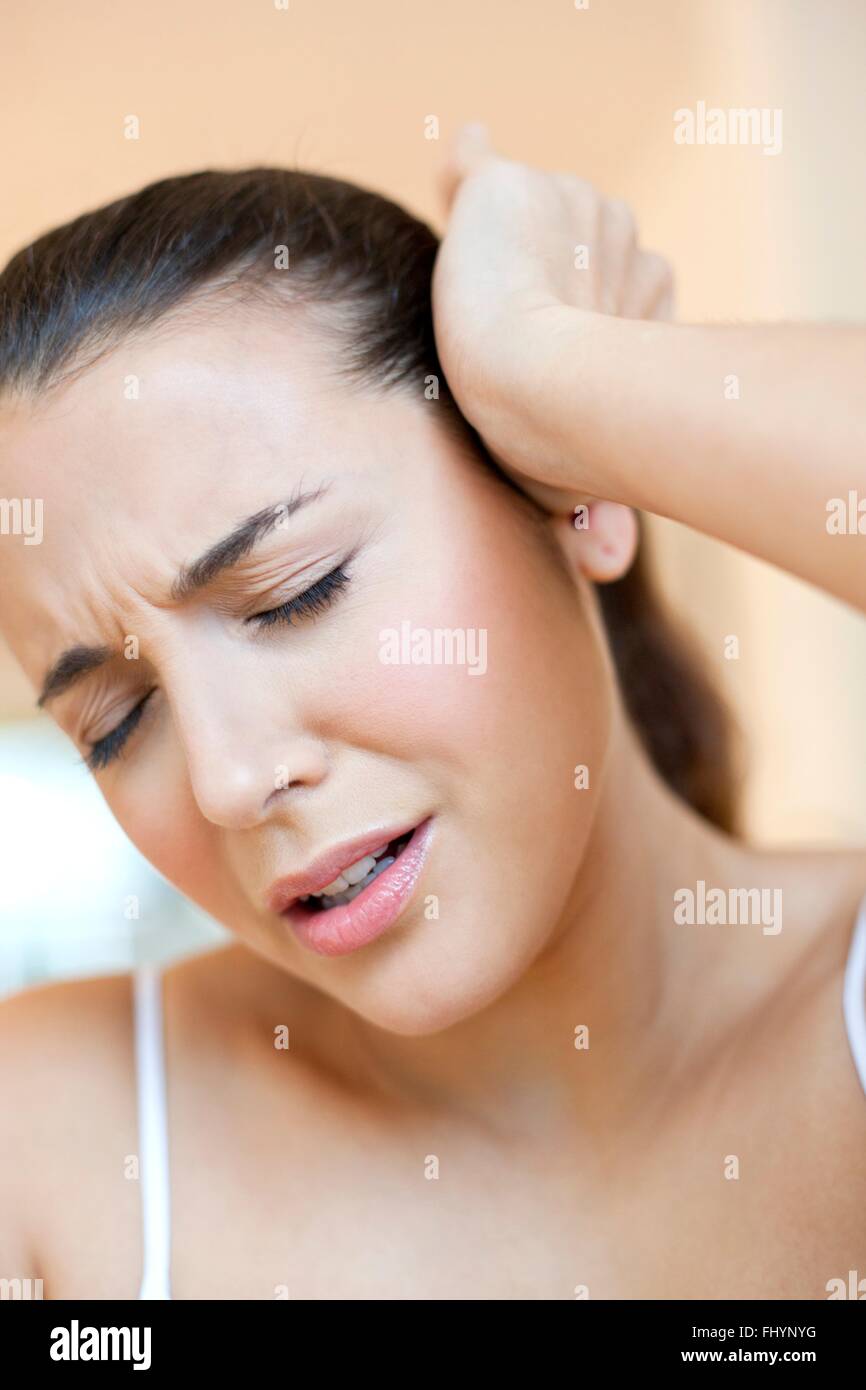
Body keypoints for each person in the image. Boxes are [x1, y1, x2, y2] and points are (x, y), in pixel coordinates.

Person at [0, 124, 863, 1300]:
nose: (227, 778)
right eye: (115, 720)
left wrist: (553, 369)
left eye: (298, 590)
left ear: (574, 490)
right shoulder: (53, 1142)